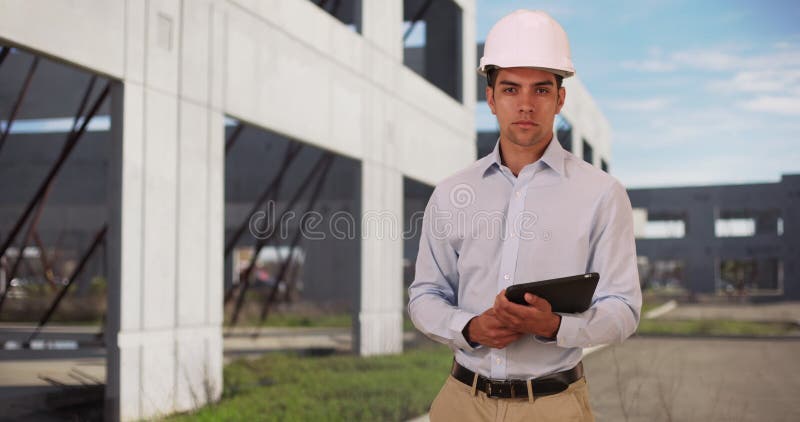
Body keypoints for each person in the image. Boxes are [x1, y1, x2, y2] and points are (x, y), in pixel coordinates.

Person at [407, 9, 642, 421]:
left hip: (554, 406)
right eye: (512, 89)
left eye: (541, 90)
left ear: (560, 99)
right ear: (491, 98)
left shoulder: (602, 194)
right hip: (461, 402)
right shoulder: (451, 193)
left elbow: (623, 308)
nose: (526, 105)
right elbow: (425, 295)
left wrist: (554, 326)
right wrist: (469, 328)